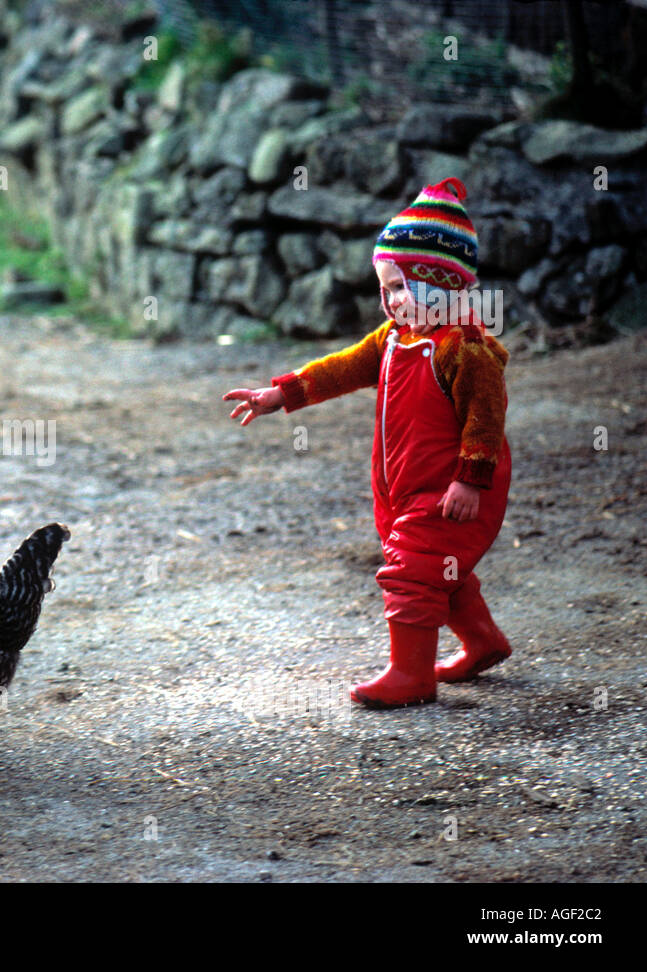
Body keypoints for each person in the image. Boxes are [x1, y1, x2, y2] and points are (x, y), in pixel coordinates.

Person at [223, 177, 512, 708]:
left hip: (456, 485)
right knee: (434, 569)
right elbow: (343, 369)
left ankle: (411, 675)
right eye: (386, 287)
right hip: (402, 482)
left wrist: (471, 479)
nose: (391, 300)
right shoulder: (393, 339)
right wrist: (280, 395)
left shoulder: (464, 349)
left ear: (444, 284)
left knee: (413, 568)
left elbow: (486, 419)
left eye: (402, 286)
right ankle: (483, 641)